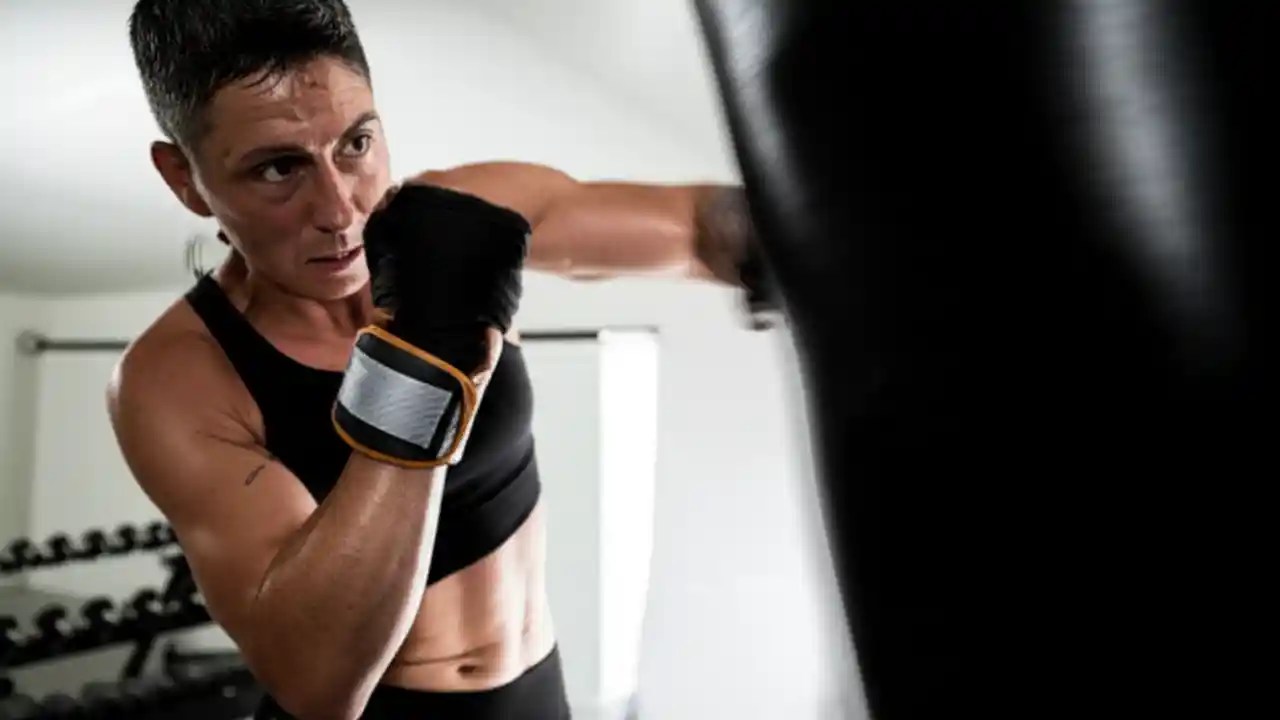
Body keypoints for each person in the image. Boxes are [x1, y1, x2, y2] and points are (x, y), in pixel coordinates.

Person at [107, 1, 767, 718]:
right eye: (277, 170)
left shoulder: (465, 215)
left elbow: (700, 233)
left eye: (355, 145)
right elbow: (316, 681)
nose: (339, 209)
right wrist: (419, 371)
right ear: (184, 177)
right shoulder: (177, 377)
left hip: (539, 694)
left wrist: (829, 223)